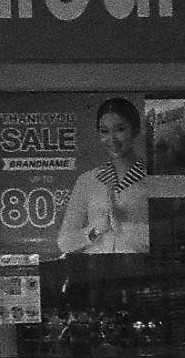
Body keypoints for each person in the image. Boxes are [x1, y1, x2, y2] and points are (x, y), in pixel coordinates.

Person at [57, 97, 150, 256]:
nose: (112, 139)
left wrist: (124, 227)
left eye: (120, 129)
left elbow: (167, 238)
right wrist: (94, 230)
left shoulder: (152, 180)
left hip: (141, 274)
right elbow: (64, 242)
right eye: (104, 131)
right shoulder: (87, 181)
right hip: (96, 273)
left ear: (135, 130)